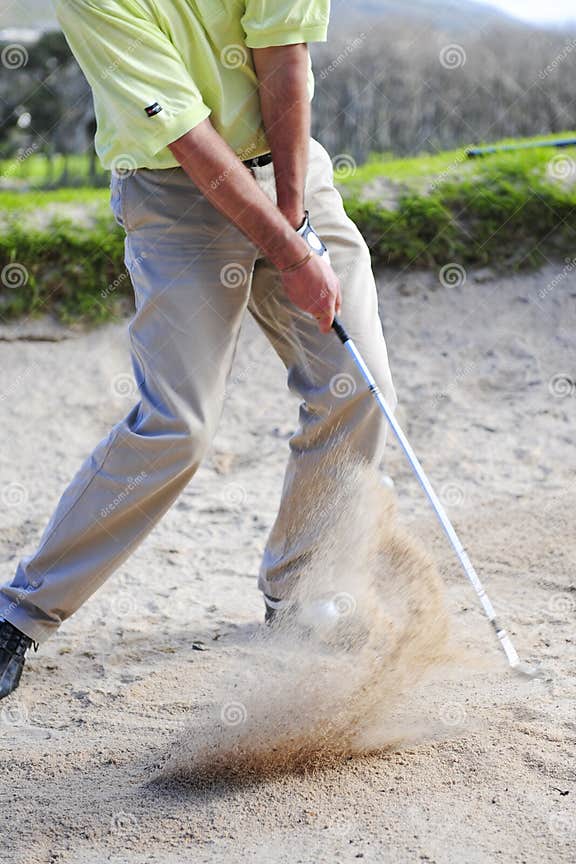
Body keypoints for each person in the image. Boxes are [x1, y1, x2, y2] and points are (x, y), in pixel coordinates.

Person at [0, 0, 397, 700]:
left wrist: (297, 223)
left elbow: (283, 58)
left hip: (290, 165)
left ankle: (296, 592)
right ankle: (20, 613)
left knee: (357, 389)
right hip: (176, 193)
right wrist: (290, 252)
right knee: (178, 424)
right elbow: (186, 133)